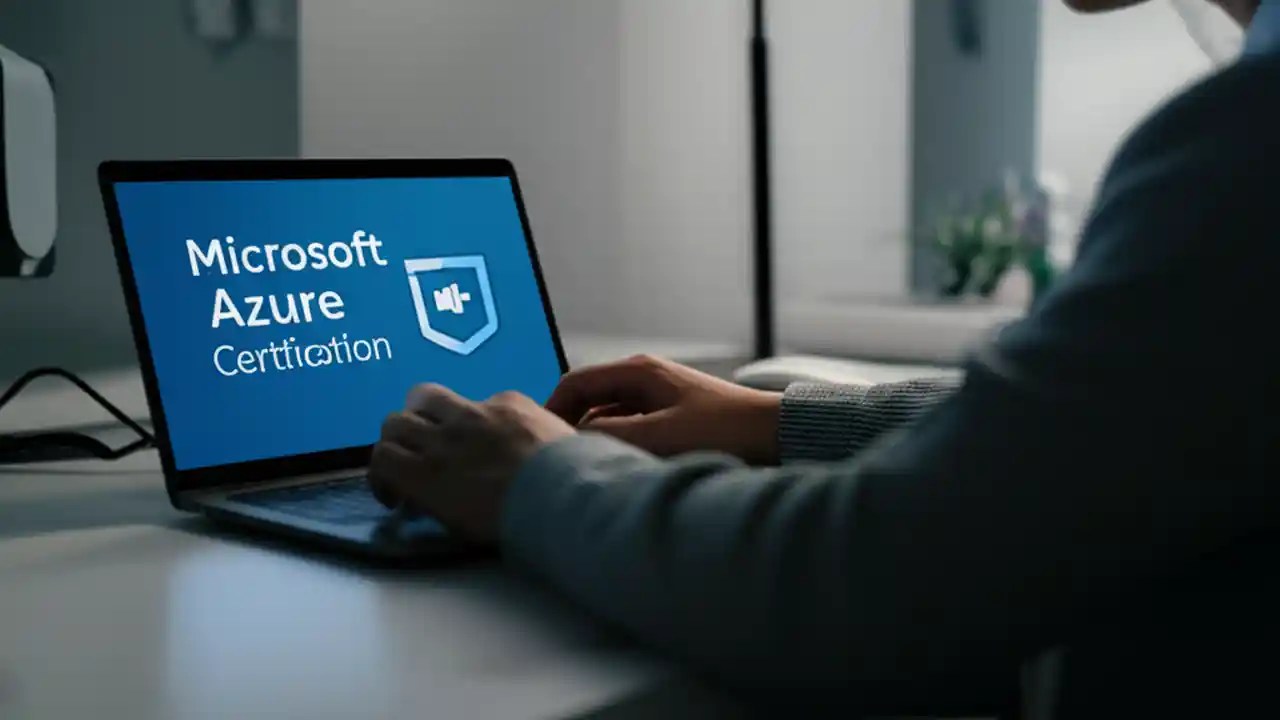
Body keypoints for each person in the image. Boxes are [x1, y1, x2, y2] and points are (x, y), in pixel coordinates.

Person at [369, 0, 1279, 716]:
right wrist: (776, 419)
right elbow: (1113, 441)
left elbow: (866, 589)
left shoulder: (1246, 143)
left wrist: (541, 475)